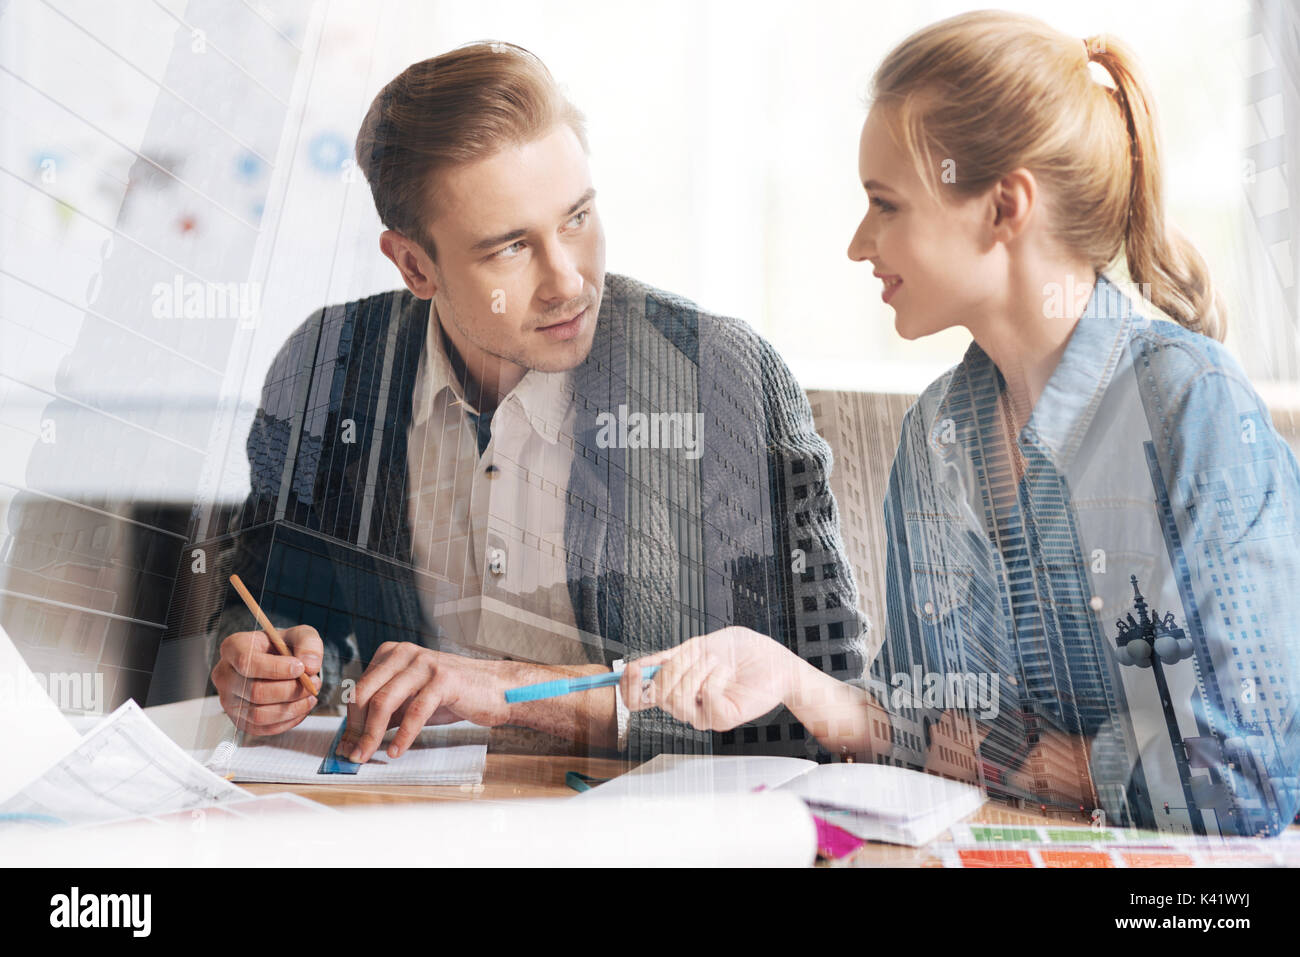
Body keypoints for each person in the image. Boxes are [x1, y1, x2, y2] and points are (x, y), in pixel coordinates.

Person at [623, 10, 1300, 836]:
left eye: (885, 205)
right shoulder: (935, 434)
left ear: (1004, 207)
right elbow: (924, 731)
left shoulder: (1194, 411)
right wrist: (794, 680)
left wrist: (1038, 761)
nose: (857, 244)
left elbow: (1244, 775)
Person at [204, 43, 865, 764]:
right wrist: (254, 656)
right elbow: (263, 592)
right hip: (392, 815)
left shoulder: (720, 377)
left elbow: (826, 704)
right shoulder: (326, 367)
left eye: (577, 218)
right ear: (414, 265)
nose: (568, 281)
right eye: (511, 247)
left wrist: (516, 689)